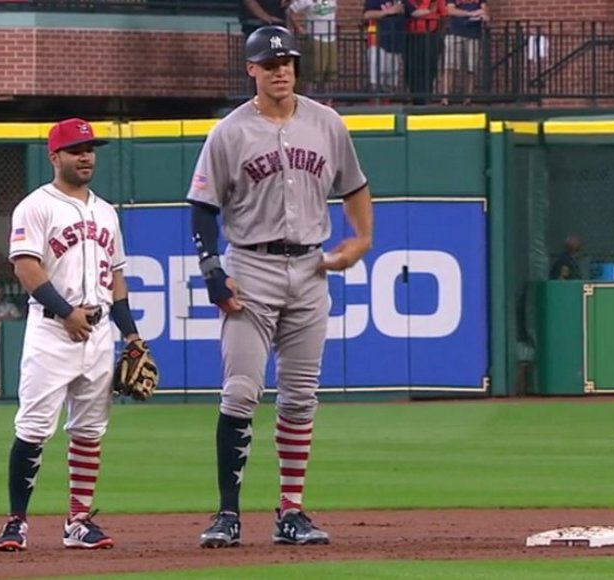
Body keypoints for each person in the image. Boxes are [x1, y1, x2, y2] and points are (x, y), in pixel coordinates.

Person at [186, 25, 374, 548]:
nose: (282, 70)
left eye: (288, 62)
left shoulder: (327, 123)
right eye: (270, 64)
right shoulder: (229, 131)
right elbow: (201, 207)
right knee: (242, 391)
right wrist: (211, 271)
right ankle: (228, 514)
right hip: (251, 267)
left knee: (300, 398)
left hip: (311, 270)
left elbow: (355, 187)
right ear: (252, 71)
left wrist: (361, 240)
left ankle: (292, 513)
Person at [0, 118, 144, 552]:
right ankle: (16, 522)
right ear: (54, 156)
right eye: (77, 149)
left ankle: (78, 521)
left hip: (99, 334)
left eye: (90, 149)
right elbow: (26, 266)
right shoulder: (35, 206)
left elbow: (116, 277)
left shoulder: (106, 211)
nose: (86, 156)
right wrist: (66, 313)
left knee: (89, 430)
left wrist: (130, 334)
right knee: (34, 426)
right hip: (51, 330)